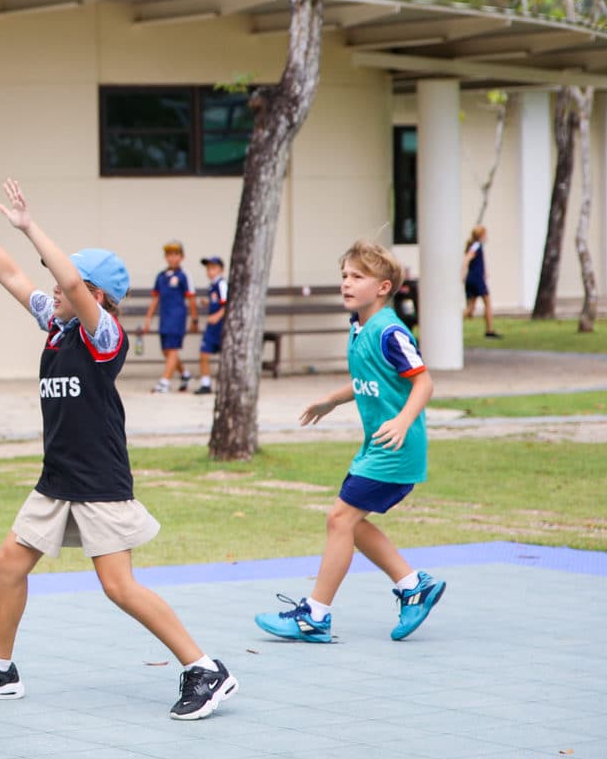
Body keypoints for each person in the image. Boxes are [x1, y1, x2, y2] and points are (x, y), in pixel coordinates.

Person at [0, 177, 237, 721]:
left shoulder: (104, 336)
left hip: (99, 481)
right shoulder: (56, 327)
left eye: (64, 282)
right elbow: (11, 274)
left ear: (94, 297)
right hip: (57, 479)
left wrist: (31, 227)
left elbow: (68, 280)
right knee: (10, 561)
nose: (53, 287)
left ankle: (205, 669)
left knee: (118, 587)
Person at [256, 240, 444, 645]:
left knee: (340, 519)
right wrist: (332, 400)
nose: (346, 283)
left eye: (358, 277)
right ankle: (413, 585)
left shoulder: (390, 331)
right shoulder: (360, 328)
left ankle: (315, 615)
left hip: (396, 448)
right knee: (350, 524)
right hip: (376, 447)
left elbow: (424, 383)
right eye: (344, 275)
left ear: (383, 287)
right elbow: (369, 380)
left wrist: (403, 421)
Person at [141, 241, 197, 393]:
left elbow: (191, 298)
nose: (172, 258)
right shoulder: (161, 276)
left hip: (177, 317)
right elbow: (155, 299)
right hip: (164, 318)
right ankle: (185, 375)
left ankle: (164, 381)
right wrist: (148, 319)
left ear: (182, 257)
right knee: (166, 350)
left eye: (175, 254)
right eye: (169, 255)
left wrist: (194, 319)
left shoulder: (184, 275)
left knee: (172, 349)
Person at [194, 255, 227, 395]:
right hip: (212, 327)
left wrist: (217, 315)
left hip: (220, 326)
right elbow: (217, 300)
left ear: (221, 270)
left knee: (224, 355)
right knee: (204, 352)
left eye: (213, 268)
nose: (210, 271)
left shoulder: (221, 284)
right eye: (208, 268)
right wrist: (207, 302)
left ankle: (225, 383)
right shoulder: (212, 286)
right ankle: (205, 383)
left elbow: (227, 303)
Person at [463, 226, 500, 338]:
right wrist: (463, 274)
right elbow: (467, 258)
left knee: (470, 309)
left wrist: (485, 271)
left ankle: (452, 325)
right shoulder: (476, 245)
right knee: (487, 303)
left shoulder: (475, 245)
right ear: (481, 235)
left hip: (474, 278)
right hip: (477, 279)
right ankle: (489, 331)